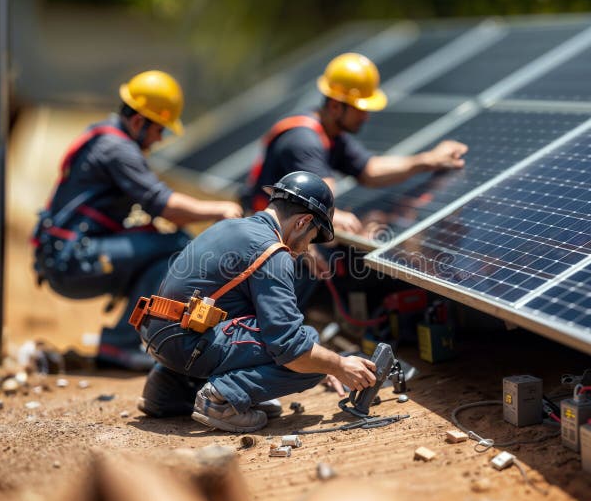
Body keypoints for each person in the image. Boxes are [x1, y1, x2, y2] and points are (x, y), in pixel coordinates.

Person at [134, 171, 377, 433]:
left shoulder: (232, 226)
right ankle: (222, 399)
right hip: (184, 343)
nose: (307, 247)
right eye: (312, 236)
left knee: (265, 325)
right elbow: (291, 345)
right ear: (302, 222)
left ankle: (167, 389)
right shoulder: (271, 251)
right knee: (307, 343)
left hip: (159, 334)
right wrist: (337, 365)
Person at [32, 70, 243, 372]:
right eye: (160, 130)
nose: (159, 139)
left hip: (68, 254)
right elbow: (165, 206)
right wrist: (219, 210)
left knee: (163, 252)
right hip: (73, 260)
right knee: (177, 244)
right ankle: (121, 343)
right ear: (138, 122)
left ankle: (122, 342)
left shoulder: (105, 136)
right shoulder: (118, 150)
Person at [241, 52, 469, 237]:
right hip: (266, 237)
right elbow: (322, 203)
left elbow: (370, 170)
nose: (365, 116)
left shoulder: (331, 134)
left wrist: (428, 160)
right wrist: (353, 223)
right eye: (360, 109)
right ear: (335, 107)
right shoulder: (304, 140)